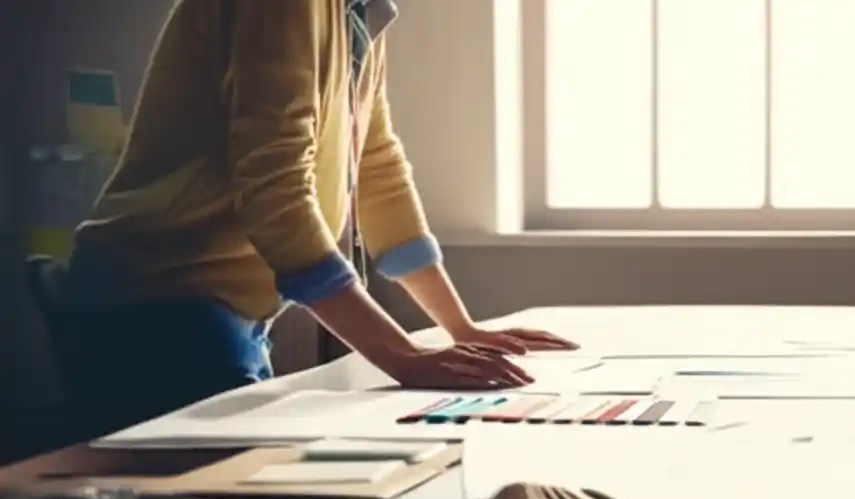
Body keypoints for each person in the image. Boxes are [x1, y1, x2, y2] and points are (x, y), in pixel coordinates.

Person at [56, 0, 576, 438]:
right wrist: (402, 356)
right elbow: (275, 193)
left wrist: (459, 327)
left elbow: (375, 165)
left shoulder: (362, 13)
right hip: (158, 309)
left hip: (218, 311)